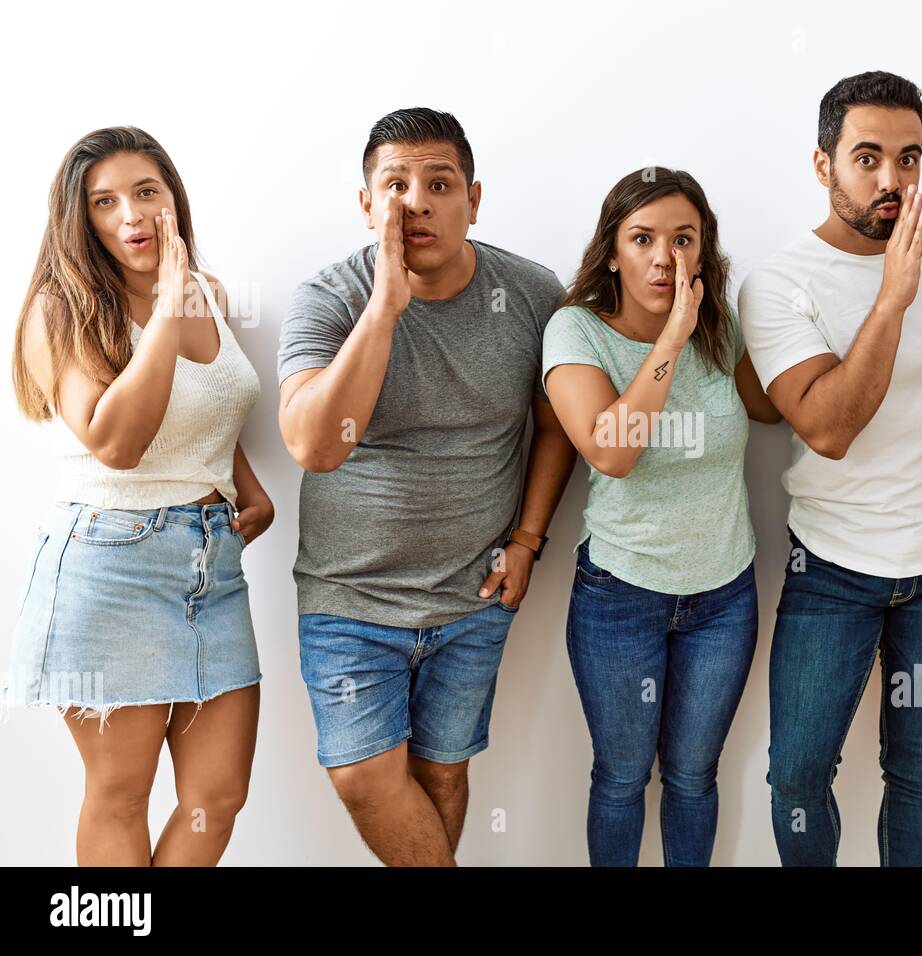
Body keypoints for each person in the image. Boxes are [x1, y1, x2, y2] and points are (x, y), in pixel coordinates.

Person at [276, 107, 575, 866]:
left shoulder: (533, 294)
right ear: (366, 203)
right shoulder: (330, 297)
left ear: (473, 198)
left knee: (443, 773)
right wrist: (384, 308)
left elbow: (554, 425)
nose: (416, 202)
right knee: (363, 777)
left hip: (472, 595)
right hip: (350, 598)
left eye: (438, 183)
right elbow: (312, 444)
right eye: (396, 184)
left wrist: (529, 543)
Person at [738, 71, 922, 866]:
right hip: (833, 569)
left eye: (909, 158)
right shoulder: (779, 283)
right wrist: (892, 299)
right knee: (796, 777)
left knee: (918, 772)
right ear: (824, 166)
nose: (893, 181)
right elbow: (829, 427)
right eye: (868, 157)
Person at [5, 127, 271, 865]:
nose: (133, 215)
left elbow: (208, 407)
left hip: (211, 569)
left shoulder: (211, 295)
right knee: (121, 792)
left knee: (217, 797)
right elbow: (118, 443)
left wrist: (248, 490)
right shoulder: (62, 312)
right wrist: (165, 310)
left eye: (147, 191)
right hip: (108, 562)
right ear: (79, 219)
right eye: (105, 202)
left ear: (173, 199)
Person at [542, 167, 781, 866]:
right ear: (612, 250)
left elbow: (769, 408)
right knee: (620, 779)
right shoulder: (576, 331)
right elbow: (611, 452)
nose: (663, 257)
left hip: (724, 596)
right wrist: (672, 337)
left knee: (692, 777)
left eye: (683, 239)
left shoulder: (721, 330)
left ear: (703, 253)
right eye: (643, 238)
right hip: (621, 596)